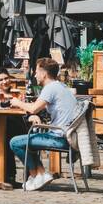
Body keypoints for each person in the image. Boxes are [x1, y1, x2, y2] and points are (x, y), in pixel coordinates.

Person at [7, 57, 81, 191]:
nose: (35, 74)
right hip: (68, 136)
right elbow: (39, 109)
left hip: (60, 138)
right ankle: (41, 174)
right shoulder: (61, 86)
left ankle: (37, 175)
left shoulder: (50, 88)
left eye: (36, 71)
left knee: (15, 142)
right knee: (28, 142)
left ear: (44, 73)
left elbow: (34, 108)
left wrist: (17, 102)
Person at [0, 70, 29, 186]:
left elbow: (24, 111)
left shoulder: (16, 94)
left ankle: (13, 176)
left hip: (14, 127)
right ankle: (9, 176)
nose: (4, 81)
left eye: (6, 78)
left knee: (9, 135)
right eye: (1, 79)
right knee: (7, 138)